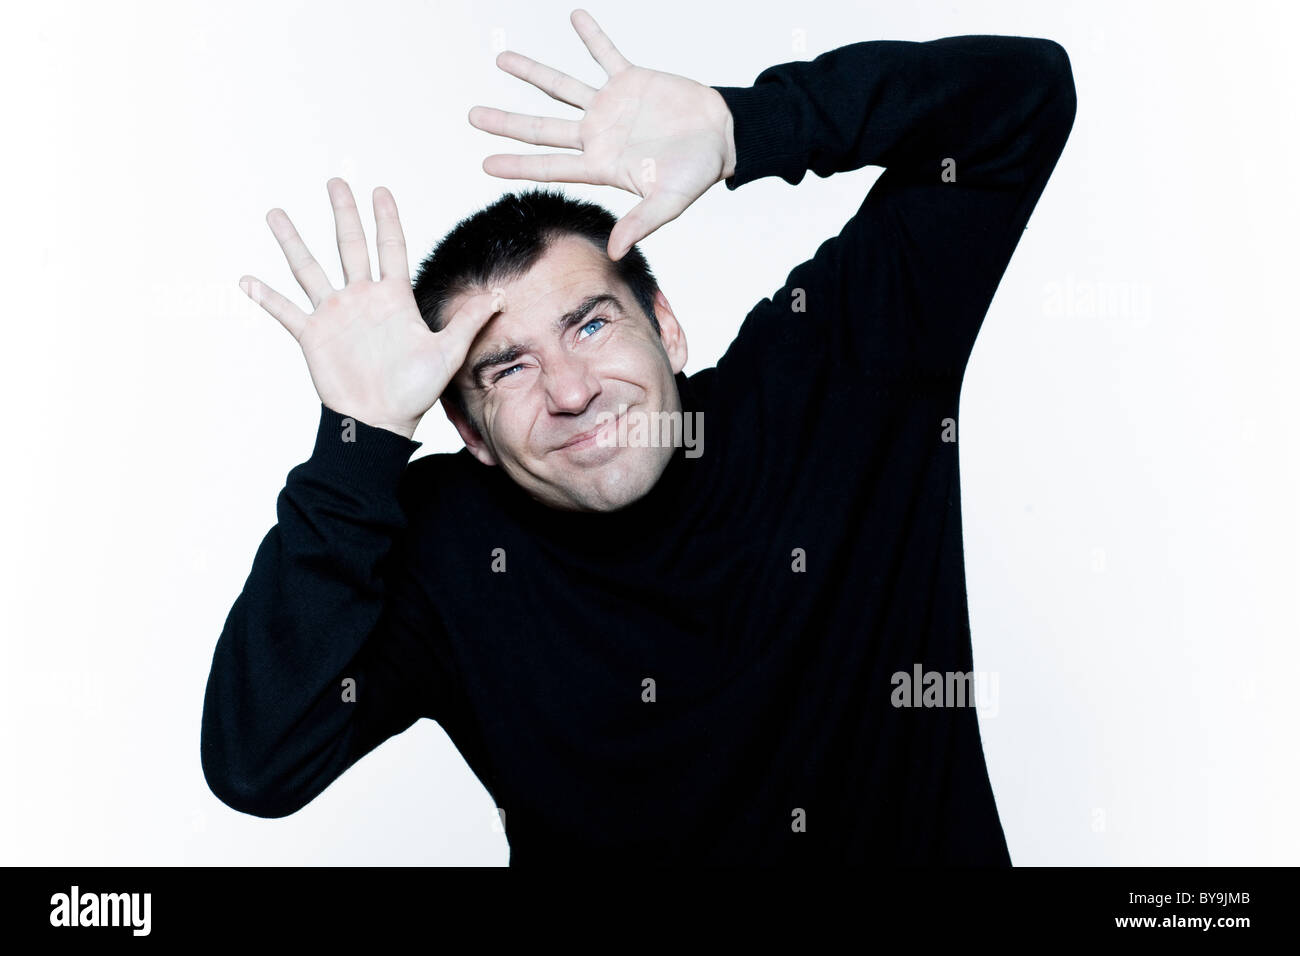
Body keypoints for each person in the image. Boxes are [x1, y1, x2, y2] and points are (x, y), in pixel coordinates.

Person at [202, 9, 1077, 864]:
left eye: (590, 326)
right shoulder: (447, 544)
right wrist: (358, 445)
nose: (573, 391)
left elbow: (1023, 101)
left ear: (667, 325)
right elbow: (257, 763)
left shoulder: (832, 383)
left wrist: (751, 127)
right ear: (466, 430)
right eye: (508, 369)